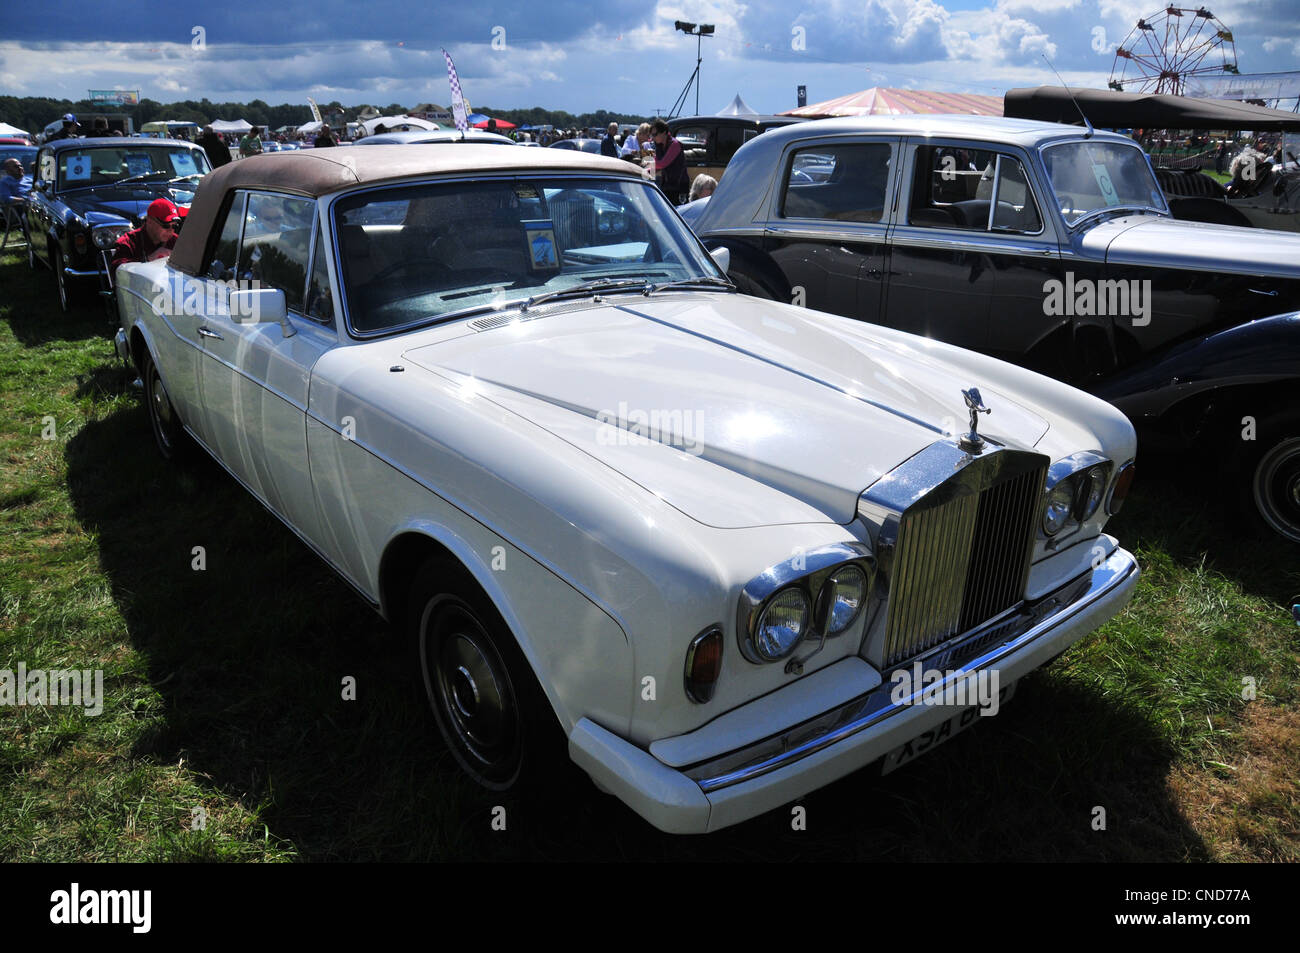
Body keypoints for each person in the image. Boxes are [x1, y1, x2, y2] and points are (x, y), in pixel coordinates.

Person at [108, 198, 184, 276]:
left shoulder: (177, 242)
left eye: (175, 226)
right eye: (166, 225)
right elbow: (116, 272)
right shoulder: (128, 242)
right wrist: (148, 259)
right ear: (150, 221)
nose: (170, 230)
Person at [650, 119, 689, 204]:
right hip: (667, 186)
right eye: (652, 135)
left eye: (655, 134)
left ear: (664, 132)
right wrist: (642, 172)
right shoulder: (659, 146)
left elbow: (662, 164)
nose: (653, 137)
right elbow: (656, 165)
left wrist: (648, 164)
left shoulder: (675, 144)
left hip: (679, 187)